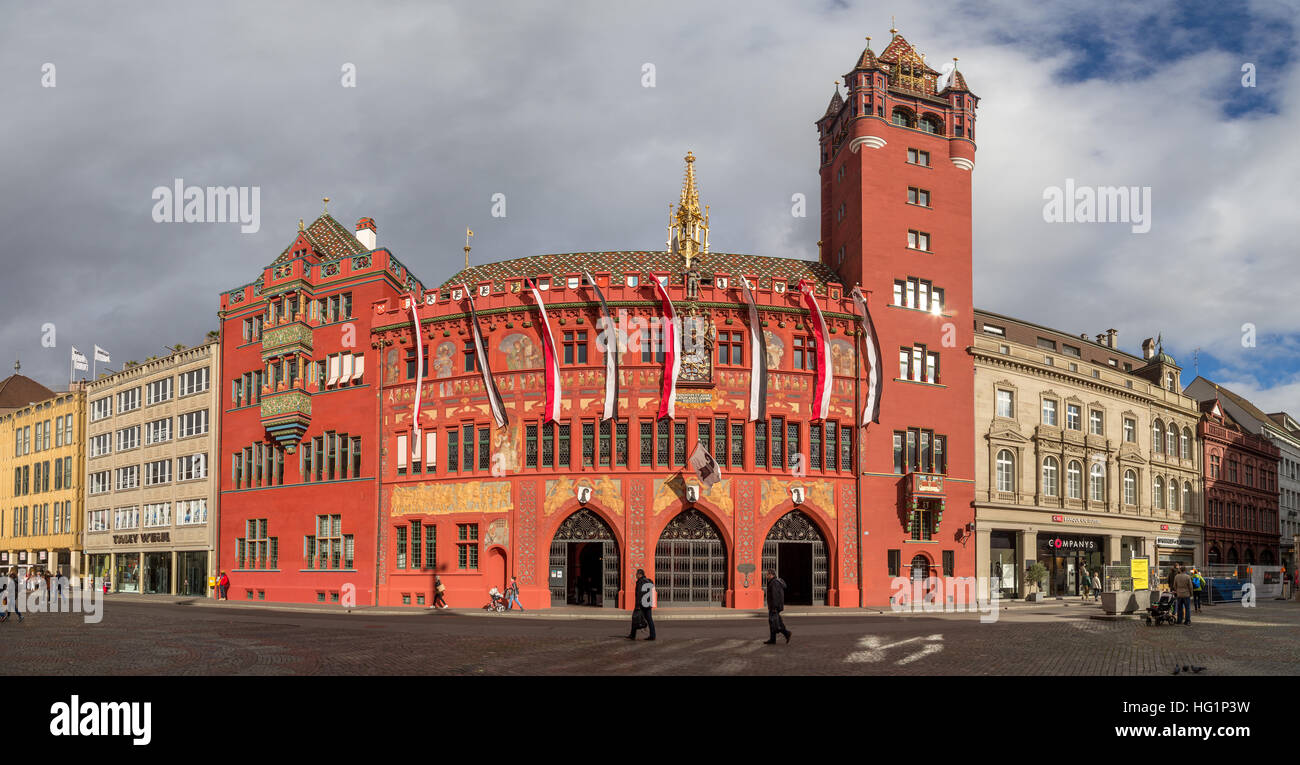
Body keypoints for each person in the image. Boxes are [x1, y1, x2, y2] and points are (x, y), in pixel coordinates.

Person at [763, 570, 792, 645]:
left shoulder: (774, 582)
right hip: (774, 606)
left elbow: (775, 596)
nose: (766, 576)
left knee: (774, 623)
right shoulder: (773, 582)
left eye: (767, 574)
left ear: (771, 575)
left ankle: (786, 633)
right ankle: (773, 639)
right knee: (775, 622)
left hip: (774, 607)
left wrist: (775, 607)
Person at [627, 568, 655, 641]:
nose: (636, 575)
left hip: (642, 604)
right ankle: (653, 635)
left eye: (636, 574)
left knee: (635, 618)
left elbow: (639, 594)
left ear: (640, 574)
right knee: (649, 620)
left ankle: (632, 635)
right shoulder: (649, 581)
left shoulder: (640, 582)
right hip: (648, 603)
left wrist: (637, 605)